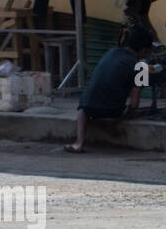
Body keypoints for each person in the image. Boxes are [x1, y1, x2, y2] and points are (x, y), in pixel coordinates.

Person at [64, 25, 153, 153]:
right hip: (112, 110)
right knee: (129, 110)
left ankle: (79, 143)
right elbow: (134, 103)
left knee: (83, 109)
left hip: (87, 107)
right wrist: (128, 115)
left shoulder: (111, 52)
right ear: (145, 51)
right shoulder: (142, 67)